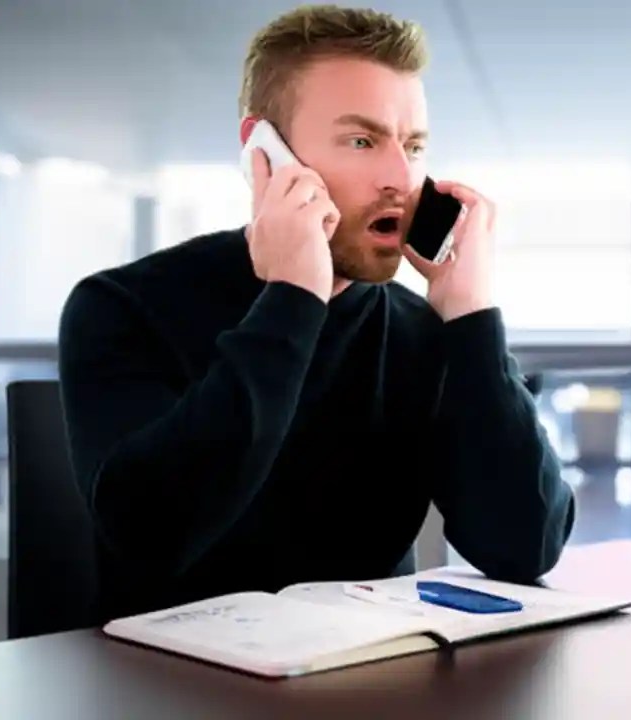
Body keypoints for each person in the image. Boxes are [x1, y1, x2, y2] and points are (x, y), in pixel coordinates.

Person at [58, 4, 574, 622]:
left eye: (412, 145)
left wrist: (472, 319)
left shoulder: (422, 333)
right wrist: (294, 298)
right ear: (265, 152)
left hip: (370, 681)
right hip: (172, 691)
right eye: (361, 141)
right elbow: (152, 535)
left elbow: (523, 547)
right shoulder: (121, 307)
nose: (400, 177)